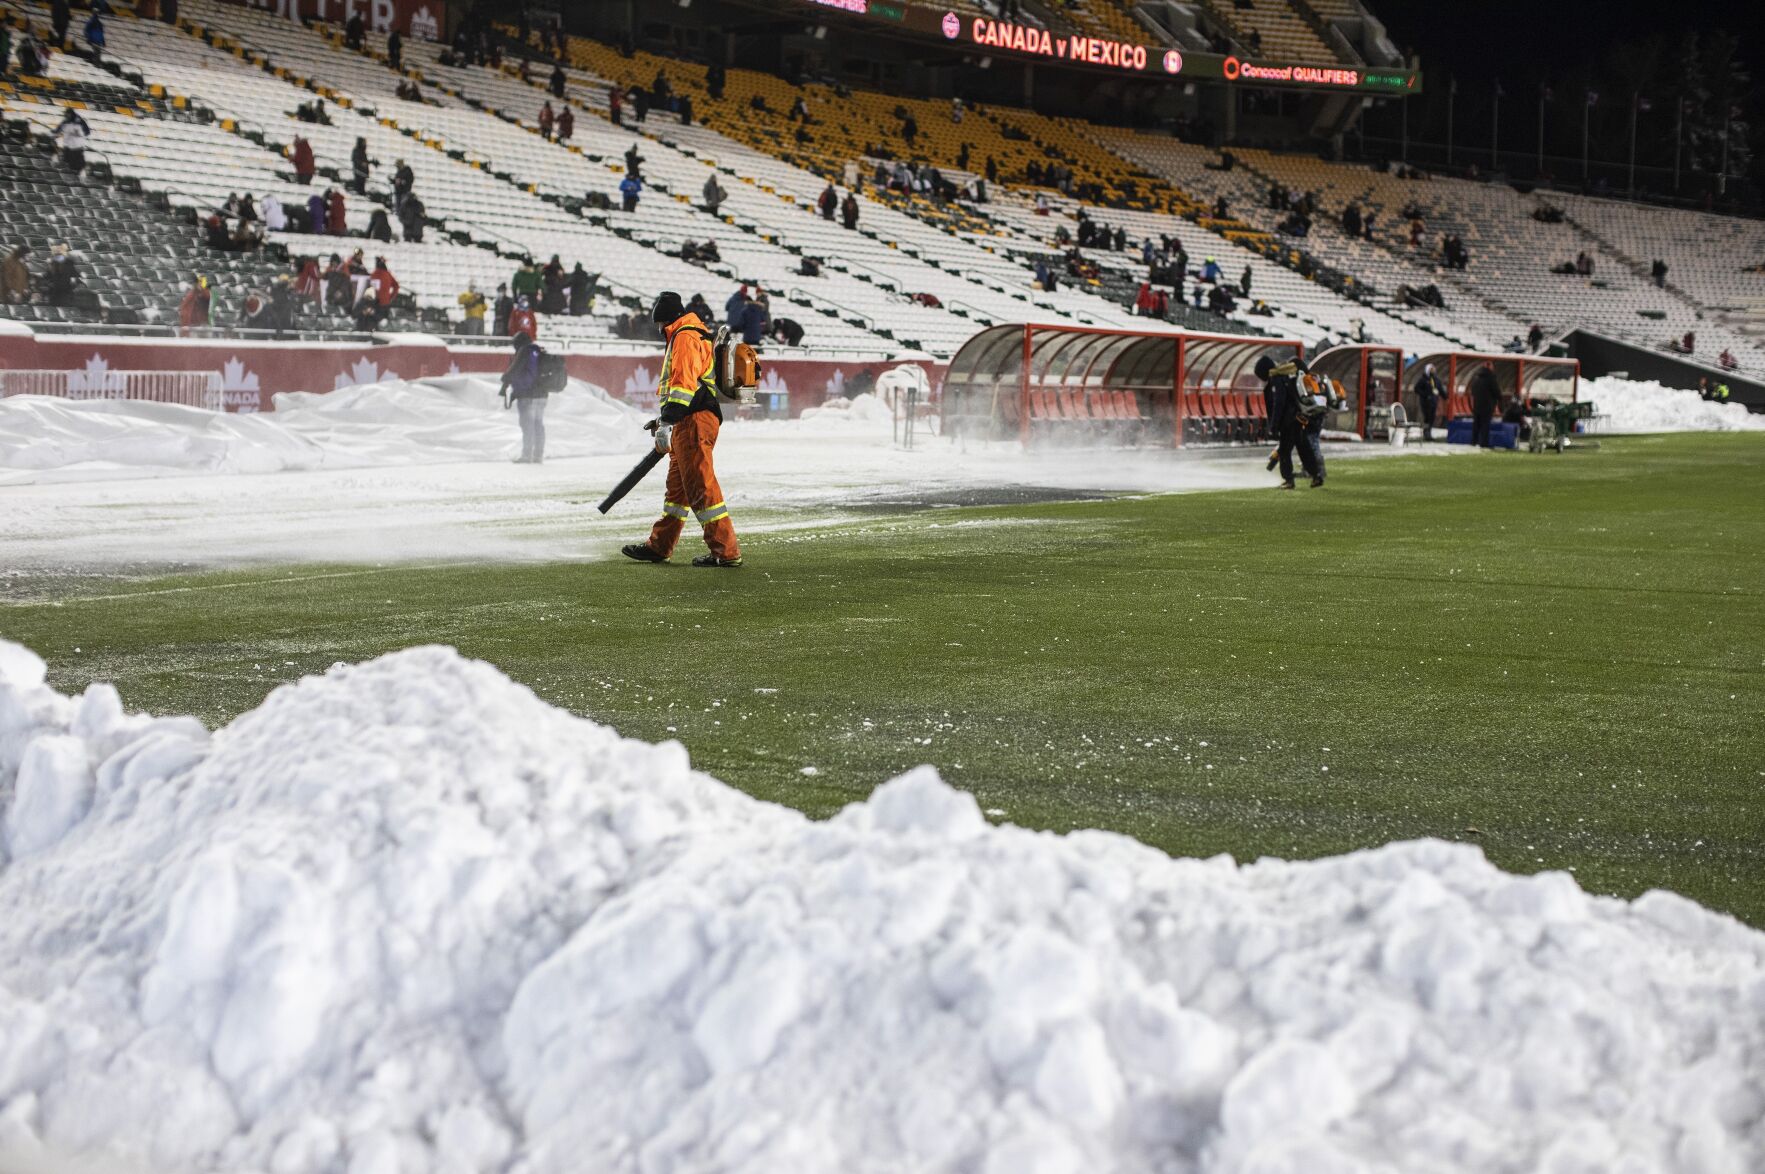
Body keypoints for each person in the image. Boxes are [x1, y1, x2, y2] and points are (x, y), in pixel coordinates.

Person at [620, 291, 743, 568]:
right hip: (688, 421)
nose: (659, 330)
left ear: (667, 319)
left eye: (659, 324)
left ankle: (726, 551)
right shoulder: (690, 333)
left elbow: (683, 385)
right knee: (677, 492)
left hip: (694, 422)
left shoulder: (685, 336)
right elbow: (685, 388)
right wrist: (664, 419)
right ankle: (659, 546)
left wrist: (668, 421)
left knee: (701, 486)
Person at [1261, 355, 1323, 489]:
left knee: (1284, 451)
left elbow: (1279, 403)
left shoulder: (1276, 379)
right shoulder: (1288, 376)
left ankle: (1288, 480)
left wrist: (1274, 425)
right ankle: (1316, 475)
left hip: (1287, 421)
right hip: (1298, 417)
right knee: (1304, 448)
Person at [500, 331, 548, 463]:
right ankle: (538, 455)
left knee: (528, 426)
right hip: (542, 395)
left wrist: (504, 385)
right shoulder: (539, 352)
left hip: (527, 395)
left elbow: (514, 369)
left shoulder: (524, 351)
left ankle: (526, 455)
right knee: (538, 425)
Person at [1469, 362, 1500, 448]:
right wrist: (1498, 399)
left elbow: (1473, 391)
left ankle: (1473, 441)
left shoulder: (1476, 378)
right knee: (1485, 424)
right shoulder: (1491, 378)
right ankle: (1484, 443)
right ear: (1490, 367)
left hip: (1477, 405)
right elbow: (1496, 392)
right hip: (1487, 405)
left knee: (1476, 424)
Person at [1412, 362, 1444, 442]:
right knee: (1427, 417)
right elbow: (1417, 389)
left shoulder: (1436, 380)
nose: (1433, 371)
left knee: (1432, 418)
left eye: (1433, 369)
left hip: (1434, 402)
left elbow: (1441, 390)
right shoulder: (1423, 380)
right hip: (1425, 402)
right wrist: (1426, 395)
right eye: (1431, 369)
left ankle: (1428, 432)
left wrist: (1446, 397)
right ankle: (1426, 433)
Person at [55, 107, 89, 175]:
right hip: (68, 145)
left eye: (66, 114)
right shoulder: (66, 121)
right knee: (67, 163)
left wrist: (77, 134)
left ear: (70, 114)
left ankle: (78, 174)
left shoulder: (80, 121)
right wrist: (57, 133)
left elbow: (87, 132)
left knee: (77, 164)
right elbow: (58, 129)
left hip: (77, 146)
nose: (65, 116)